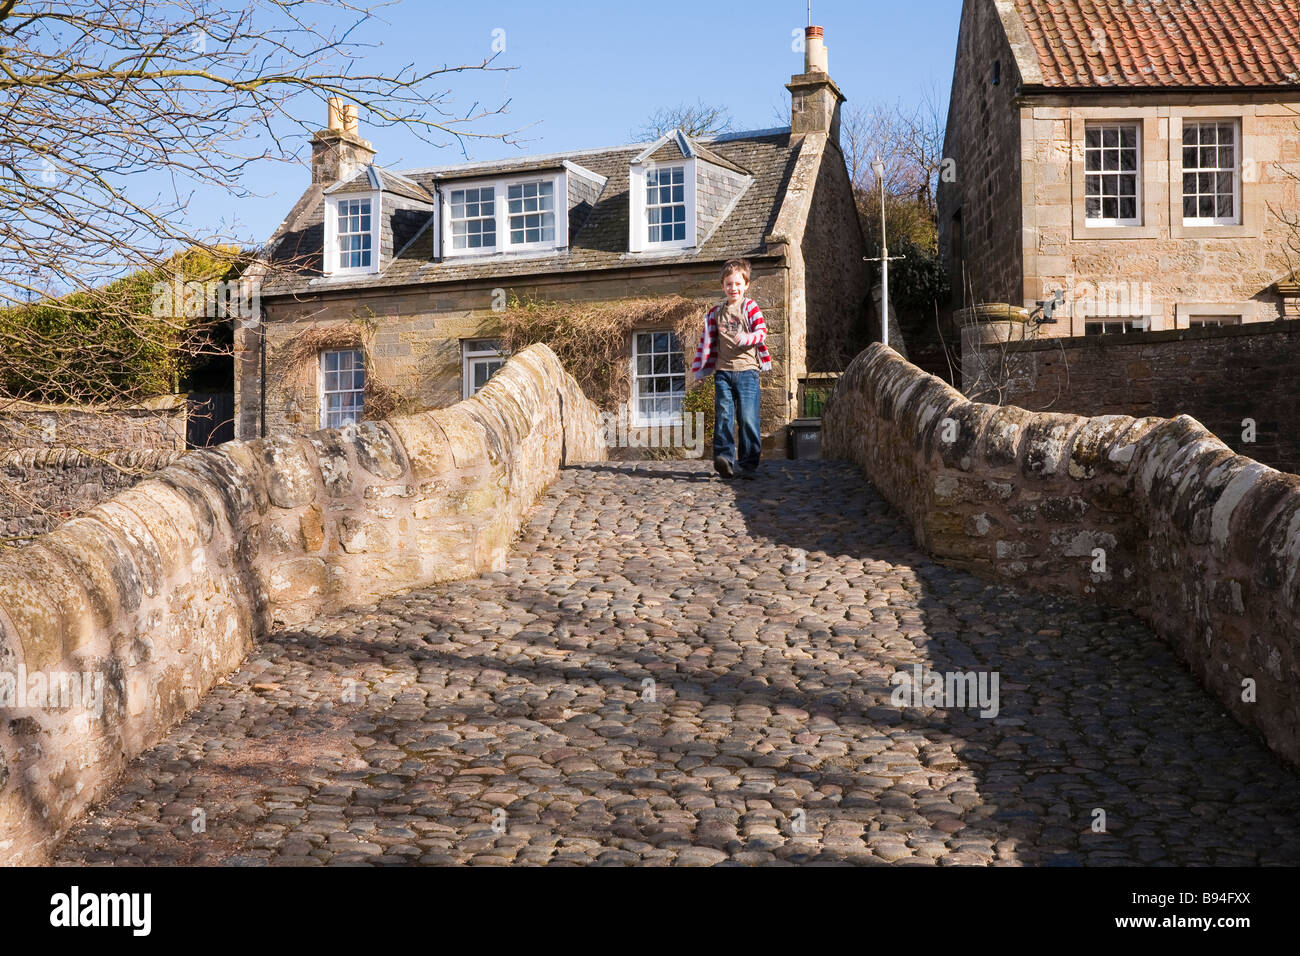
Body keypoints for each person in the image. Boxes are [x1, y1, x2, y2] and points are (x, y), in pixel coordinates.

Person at [690, 258, 772, 479]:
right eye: (728, 284)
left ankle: (748, 464)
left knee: (747, 418)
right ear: (722, 286)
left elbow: (761, 332)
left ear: (746, 285)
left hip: (747, 372)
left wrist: (746, 337)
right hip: (723, 373)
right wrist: (701, 371)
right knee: (724, 416)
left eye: (737, 284)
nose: (733, 288)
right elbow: (706, 344)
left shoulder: (750, 307)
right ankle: (725, 459)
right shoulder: (715, 313)